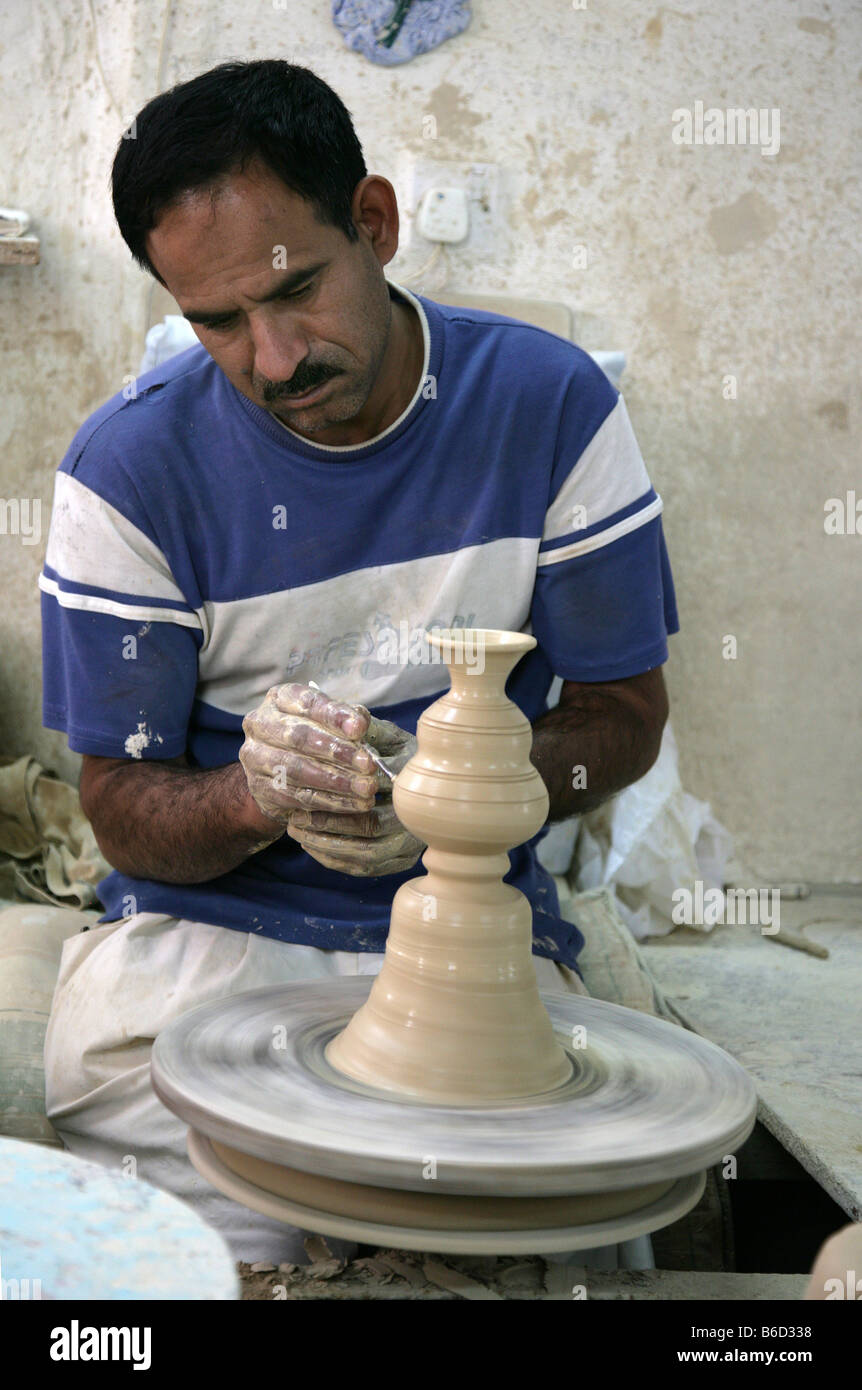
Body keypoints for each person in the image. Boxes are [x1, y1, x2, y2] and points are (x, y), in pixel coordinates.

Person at [40, 60, 677, 1262]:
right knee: (186, 1230)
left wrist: (477, 791)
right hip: (206, 938)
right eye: (218, 322)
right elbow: (118, 809)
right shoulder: (127, 473)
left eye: (295, 291)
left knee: (572, 1205)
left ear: (372, 225)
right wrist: (254, 794)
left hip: (470, 923)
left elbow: (623, 717)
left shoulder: (551, 408)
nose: (274, 358)